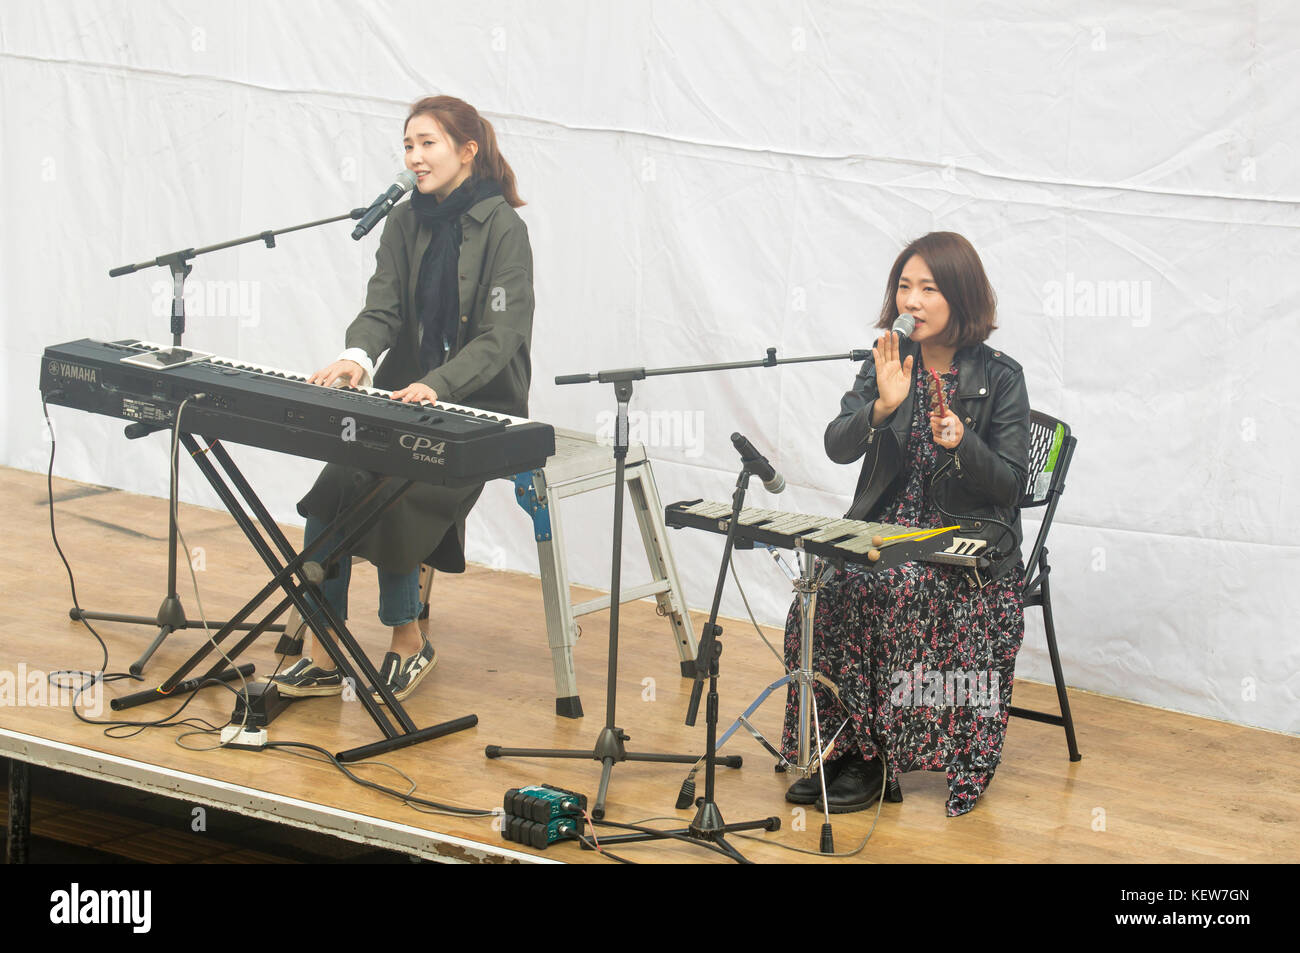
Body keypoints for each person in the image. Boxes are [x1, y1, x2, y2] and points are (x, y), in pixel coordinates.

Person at [270, 95, 534, 703]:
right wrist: (356, 358)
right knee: (331, 492)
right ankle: (325, 650)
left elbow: (502, 337)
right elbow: (381, 308)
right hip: (403, 393)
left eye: (428, 144)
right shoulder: (403, 220)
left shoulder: (503, 228)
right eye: (408, 145)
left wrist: (439, 385)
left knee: (394, 494)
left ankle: (408, 641)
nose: (414, 158)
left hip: (479, 406)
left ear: (467, 151)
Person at [781, 231, 1030, 816]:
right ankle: (839, 746)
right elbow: (837, 446)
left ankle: (874, 758)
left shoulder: (1002, 377)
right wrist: (881, 407)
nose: (911, 302)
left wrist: (964, 442)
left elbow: (1011, 485)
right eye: (904, 287)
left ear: (961, 298)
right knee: (818, 592)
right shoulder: (889, 362)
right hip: (885, 531)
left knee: (890, 589)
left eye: (929, 288)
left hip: (963, 548)